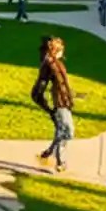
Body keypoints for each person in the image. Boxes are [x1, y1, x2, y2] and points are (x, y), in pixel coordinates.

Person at [32, 36, 75, 172]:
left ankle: (48, 154)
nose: (63, 52)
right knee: (67, 131)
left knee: (61, 130)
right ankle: (60, 161)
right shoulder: (52, 66)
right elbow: (50, 85)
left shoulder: (54, 64)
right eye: (61, 50)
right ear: (56, 51)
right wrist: (51, 107)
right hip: (60, 104)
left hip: (63, 101)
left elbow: (62, 84)